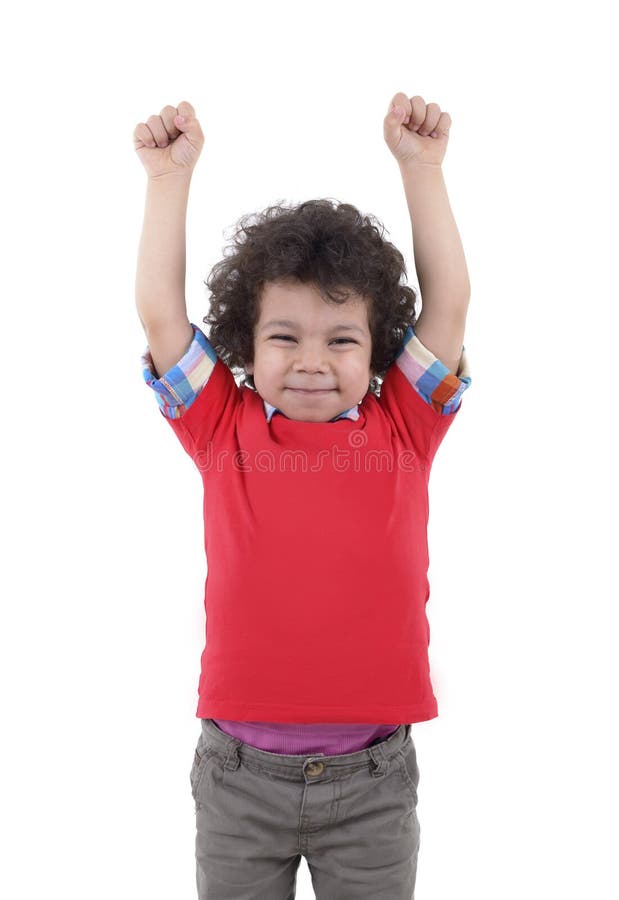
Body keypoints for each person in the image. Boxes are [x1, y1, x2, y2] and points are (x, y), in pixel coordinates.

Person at [133, 94, 472, 900]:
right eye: (284, 336)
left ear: (379, 348)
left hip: (373, 782)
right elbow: (158, 313)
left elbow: (449, 303)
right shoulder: (221, 425)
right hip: (237, 781)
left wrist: (420, 170)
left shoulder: (405, 425)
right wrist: (166, 182)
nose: (311, 359)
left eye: (341, 338)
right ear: (245, 349)